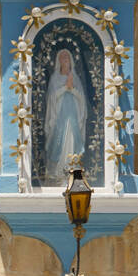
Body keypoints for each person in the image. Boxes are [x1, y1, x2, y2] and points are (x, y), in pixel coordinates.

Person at [44, 47, 88, 182]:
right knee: (59, 142)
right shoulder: (54, 78)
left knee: (72, 140)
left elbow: (82, 99)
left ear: (70, 61)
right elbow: (51, 98)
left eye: (67, 57)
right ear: (58, 61)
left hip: (72, 117)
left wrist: (72, 88)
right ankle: (58, 172)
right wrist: (65, 88)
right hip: (59, 118)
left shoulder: (75, 78)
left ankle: (72, 171)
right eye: (62, 57)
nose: (65, 60)